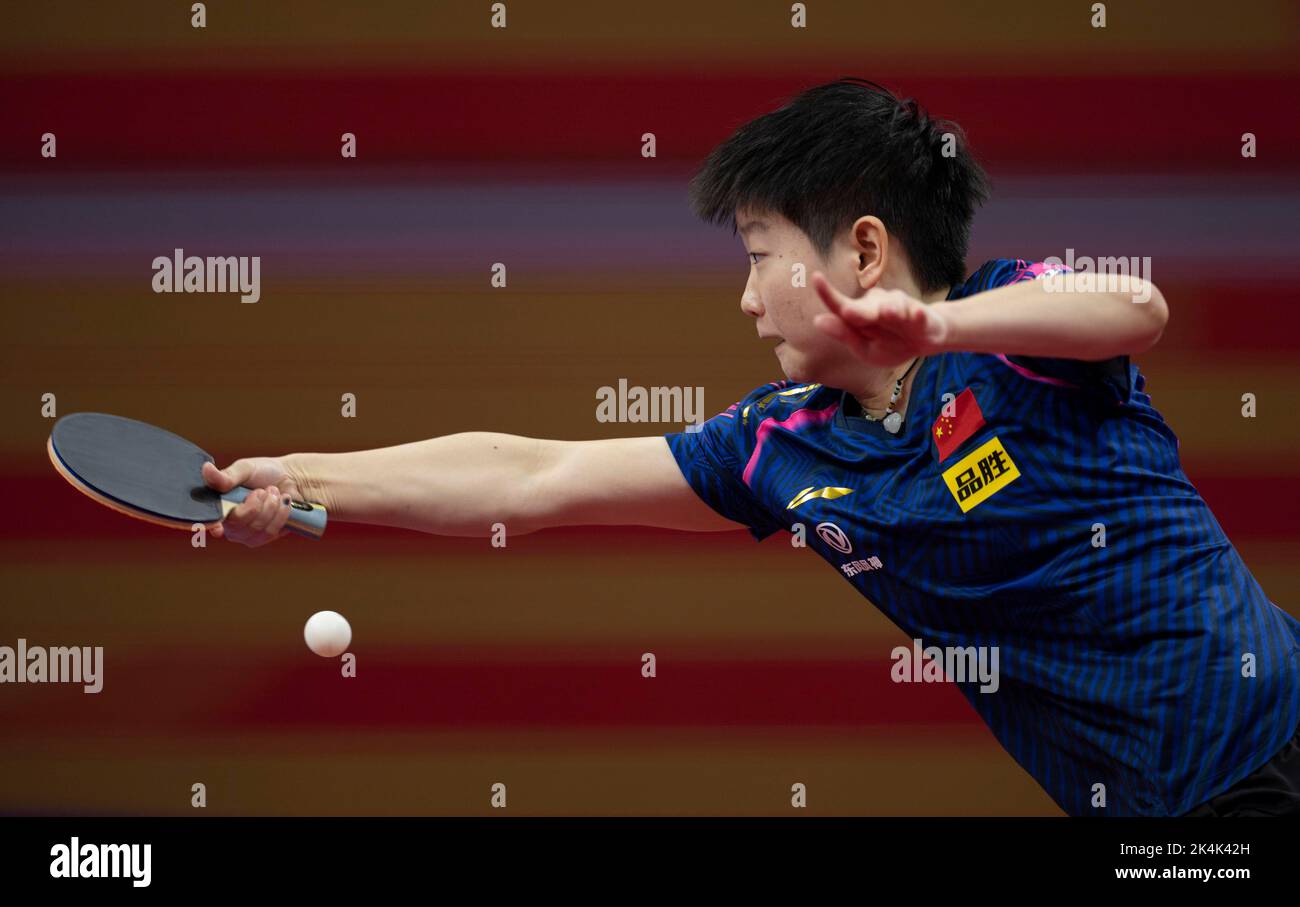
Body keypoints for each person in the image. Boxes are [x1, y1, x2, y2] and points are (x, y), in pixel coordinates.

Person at [203, 78, 1300, 816]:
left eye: (759, 253)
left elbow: (1135, 308)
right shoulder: (778, 447)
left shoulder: (1013, 323)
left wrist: (945, 327)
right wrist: (304, 477)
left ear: (863, 249)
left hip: (1276, 740)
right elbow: (530, 473)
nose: (743, 298)